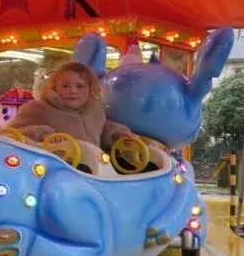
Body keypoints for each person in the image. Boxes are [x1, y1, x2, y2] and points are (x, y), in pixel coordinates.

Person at [8, 62, 147, 173]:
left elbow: (103, 126)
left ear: (90, 88)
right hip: (58, 171)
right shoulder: (37, 109)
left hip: (96, 168)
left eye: (80, 86)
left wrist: (118, 134)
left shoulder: (94, 109)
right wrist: (43, 134)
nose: (73, 91)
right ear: (55, 87)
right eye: (65, 86)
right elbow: (12, 134)